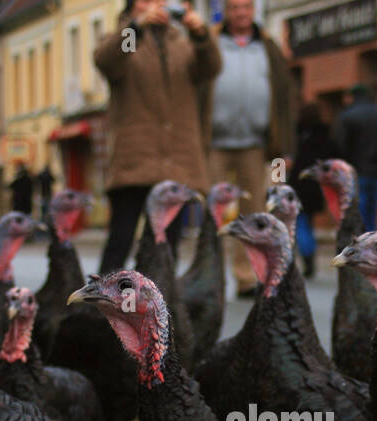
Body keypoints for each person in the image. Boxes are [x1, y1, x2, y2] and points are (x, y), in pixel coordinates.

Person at [95, 0, 222, 274]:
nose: (155, 4)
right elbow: (109, 62)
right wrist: (137, 27)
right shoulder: (128, 39)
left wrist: (201, 34)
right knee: (121, 240)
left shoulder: (183, 44)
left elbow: (210, 68)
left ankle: (160, 306)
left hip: (176, 161)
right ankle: (100, 308)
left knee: (166, 246)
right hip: (135, 160)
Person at [208, 0, 291, 297]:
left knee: (252, 215)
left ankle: (246, 278)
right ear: (226, 11)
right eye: (234, 7)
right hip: (213, 142)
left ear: (253, 9)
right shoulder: (211, 42)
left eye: (246, 6)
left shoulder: (269, 46)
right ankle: (210, 279)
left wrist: (285, 149)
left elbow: (284, 98)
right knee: (212, 213)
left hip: (255, 144)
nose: (240, 12)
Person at [330, 84, 377, 229]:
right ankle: (370, 240)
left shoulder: (347, 116)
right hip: (376, 171)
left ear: (352, 97)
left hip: (355, 172)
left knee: (357, 211)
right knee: (372, 210)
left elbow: (339, 146)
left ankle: (362, 242)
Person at [294, 101, 335, 277]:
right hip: (317, 187)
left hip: (299, 186)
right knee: (307, 222)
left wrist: (278, 180)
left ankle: (308, 256)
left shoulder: (298, 137)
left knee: (300, 223)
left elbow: (288, 163)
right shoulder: (326, 137)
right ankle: (309, 258)